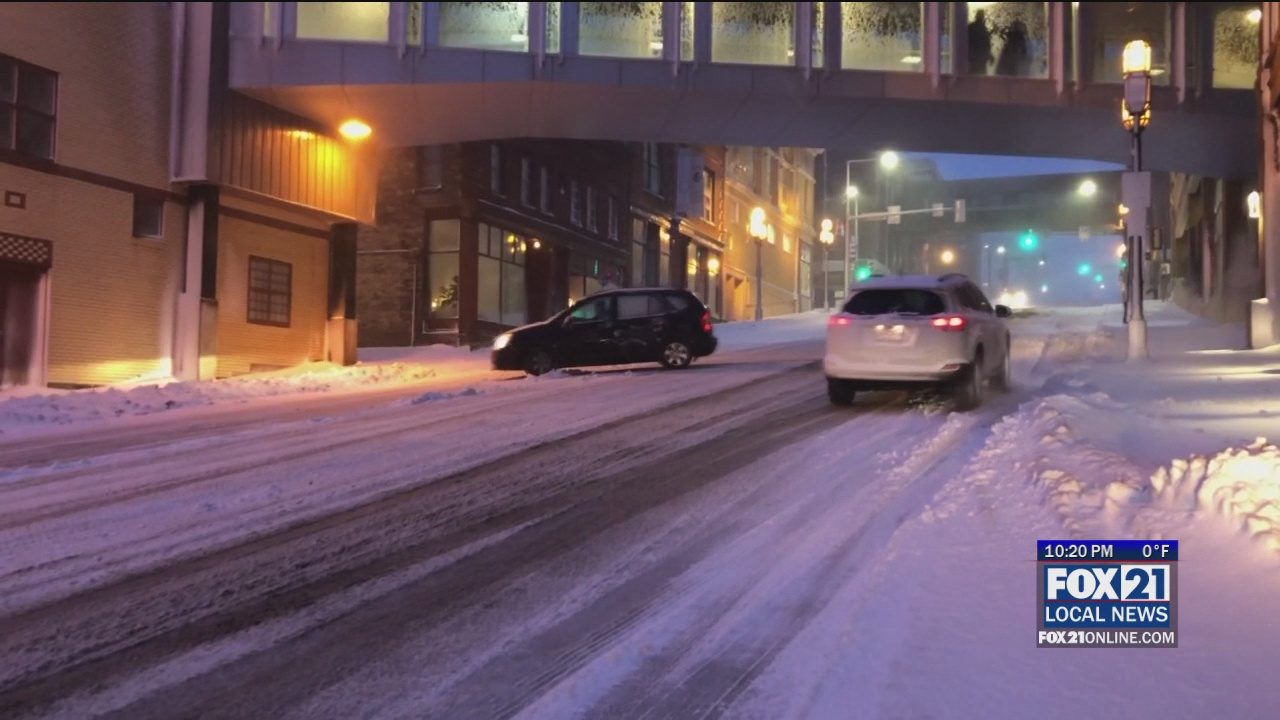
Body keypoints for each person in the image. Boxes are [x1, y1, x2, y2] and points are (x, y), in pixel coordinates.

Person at [967, 10, 992, 75]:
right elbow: (986, 43)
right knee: (980, 74)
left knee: (973, 75)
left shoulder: (971, 27)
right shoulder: (983, 28)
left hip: (973, 57)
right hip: (979, 58)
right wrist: (989, 55)